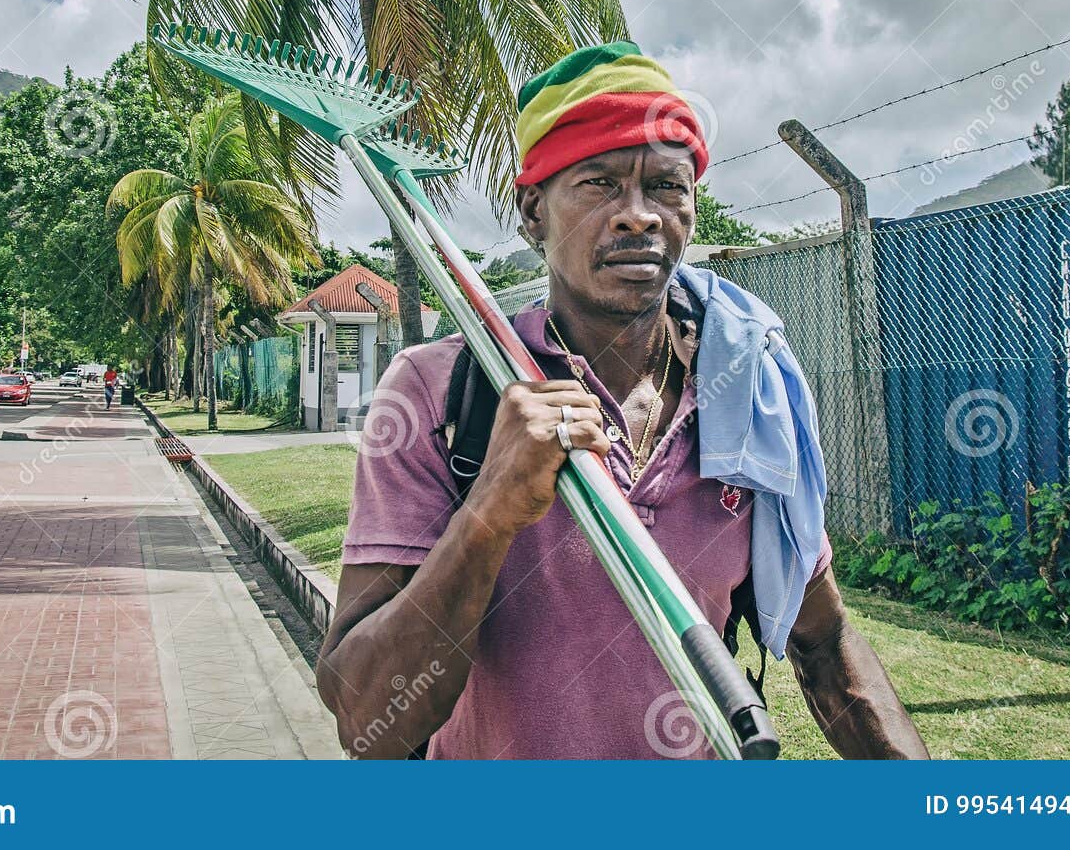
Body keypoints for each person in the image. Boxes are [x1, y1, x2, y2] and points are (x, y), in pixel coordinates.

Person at [317, 42, 928, 760]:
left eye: (666, 186)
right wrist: (487, 514)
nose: (638, 216)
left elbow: (823, 643)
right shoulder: (441, 391)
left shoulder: (749, 392)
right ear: (533, 211)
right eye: (599, 183)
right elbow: (366, 720)